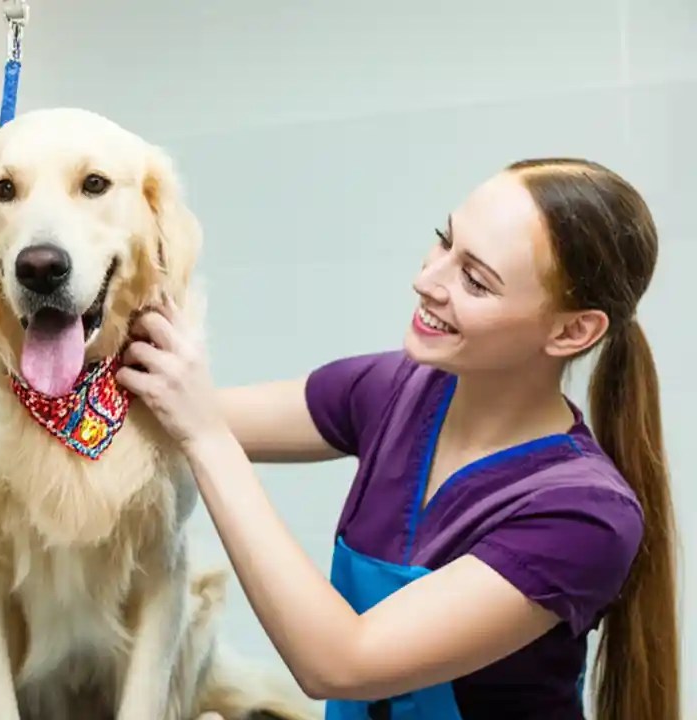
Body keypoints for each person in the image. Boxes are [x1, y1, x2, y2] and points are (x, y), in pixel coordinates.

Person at [115, 157, 680, 720]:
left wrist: (206, 438)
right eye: (445, 242)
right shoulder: (395, 391)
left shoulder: (583, 515)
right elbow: (163, 413)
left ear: (571, 330)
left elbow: (340, 664)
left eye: (475, 280)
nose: (427, 280)